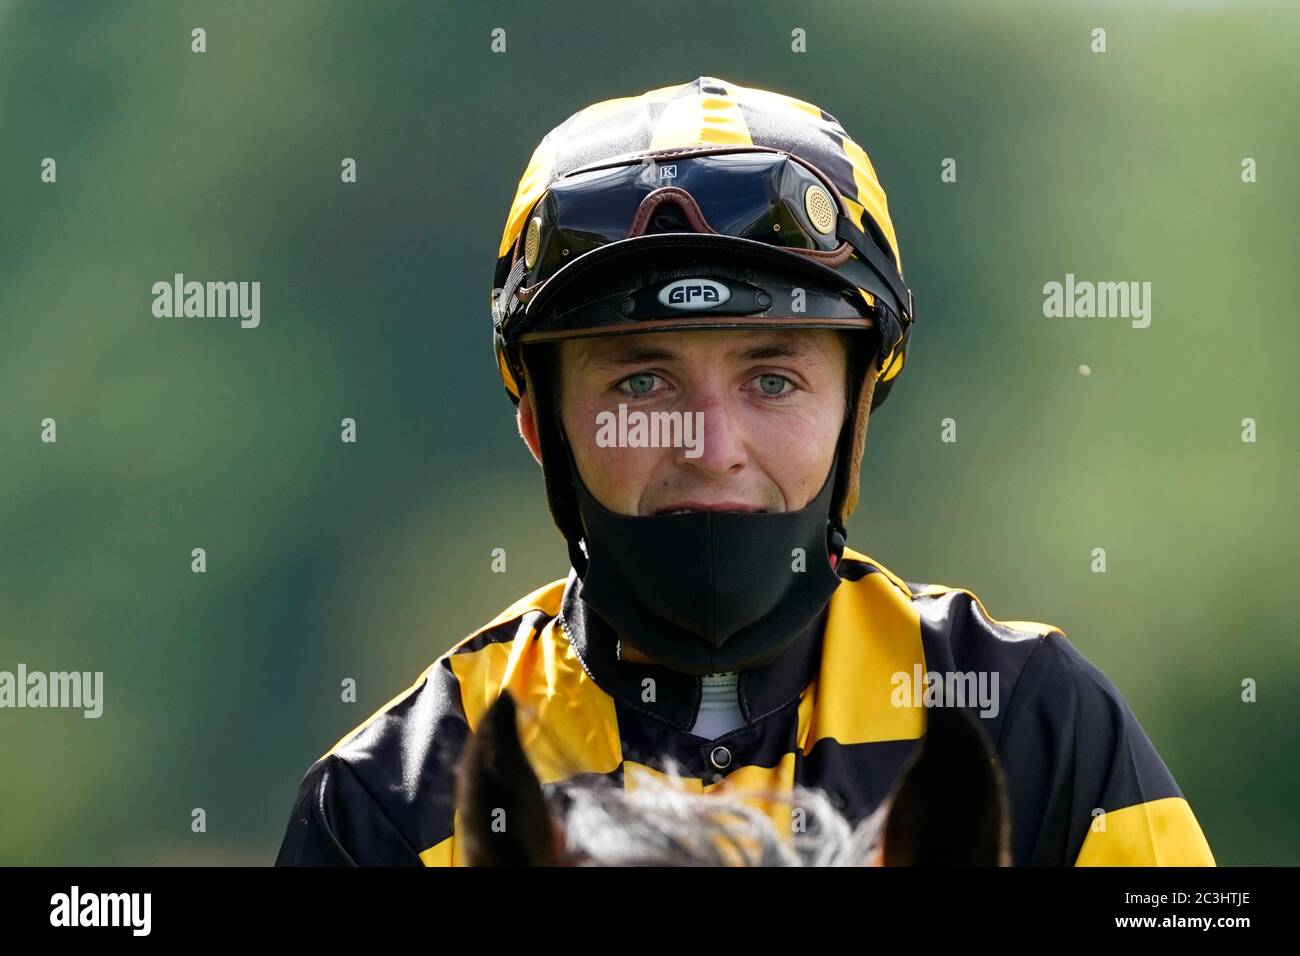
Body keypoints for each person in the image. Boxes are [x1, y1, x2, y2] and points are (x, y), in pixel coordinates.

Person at [275, 75, 1214, 867]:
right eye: (642, 380)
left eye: (773, 377)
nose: (710, 443)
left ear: (857, 410)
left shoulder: (1043, 723)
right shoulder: (380, 807)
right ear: (538, 420)